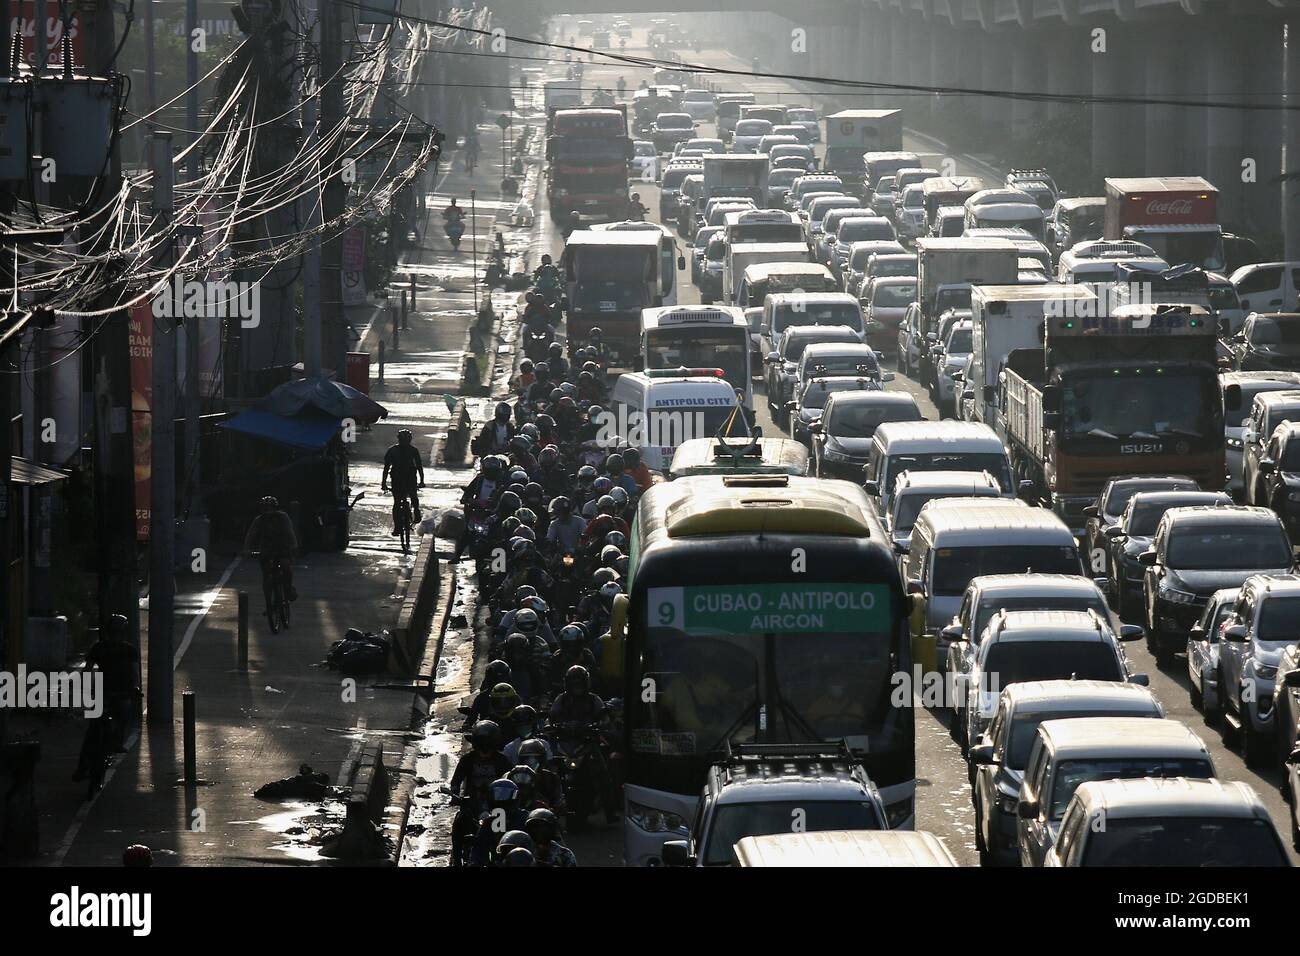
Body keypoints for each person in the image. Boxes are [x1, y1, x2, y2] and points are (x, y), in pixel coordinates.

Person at [448, 721, 512, 866]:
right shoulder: (467, 760)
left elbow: (511, 782)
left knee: (500, 834)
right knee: (459, 823)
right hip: (471, 804)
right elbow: (455, 781)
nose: (484, 751)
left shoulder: (503, 761)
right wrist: (455, 794)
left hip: (496, 806)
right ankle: (456, 859)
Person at [243, 496, 298, 607]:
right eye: (265, 508)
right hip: (266, 550)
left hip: (283, 548)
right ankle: (268, 601)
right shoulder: (259, 520)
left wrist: (293, 547)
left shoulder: (283, 517)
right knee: (266, 574)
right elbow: (251, 535)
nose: (268, 511)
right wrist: (247, 550)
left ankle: (288, 590)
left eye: (270, 508)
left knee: (286, 567)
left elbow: (290, 533)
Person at [381, 428, 424, 534]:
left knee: (398, 502)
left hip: (399, 479)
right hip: (405, 479)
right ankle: (416, 512)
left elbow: (386, 468)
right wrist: (422, 480)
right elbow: (419, 466)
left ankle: (398, 527)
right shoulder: (413, 450)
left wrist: (384, 482)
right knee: (411, 496)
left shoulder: (392, 450)